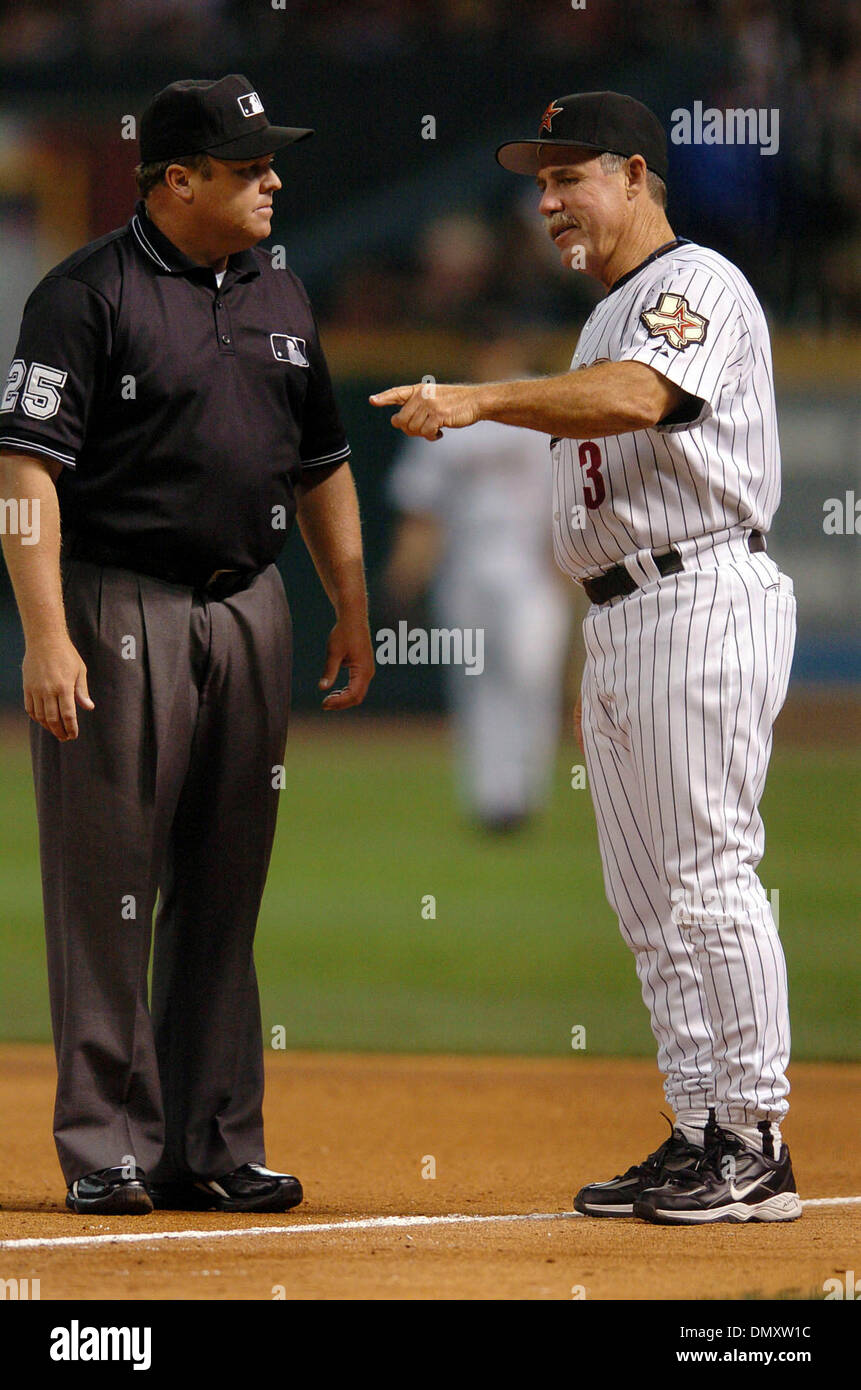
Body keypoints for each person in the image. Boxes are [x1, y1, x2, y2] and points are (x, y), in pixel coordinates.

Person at [371, 91, 800, 1226]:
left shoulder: (696, 281)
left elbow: (645, 399)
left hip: (699, 591)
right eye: (540, 182)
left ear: (637, 173)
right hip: (620, 613)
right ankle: (700, 1125)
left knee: (707, 878)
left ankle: (756, 1138)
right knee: (648, 901)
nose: (550, 201)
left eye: (570, 176)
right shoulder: (607, 310)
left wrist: (480, 398)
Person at [0, 74, 374, 1216]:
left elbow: (321, 463)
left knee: (224, 886)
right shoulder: (84, 294)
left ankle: (211, 1141)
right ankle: (109, 1143)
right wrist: (47, 635)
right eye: (248, 163)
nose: (273, 179)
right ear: (177, 178)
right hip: (120, 607)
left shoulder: (281, 289)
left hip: (249, 606)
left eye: (271, 161)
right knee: (106, 890)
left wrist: (349, 603)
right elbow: (22, 474)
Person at [384, 338, 572, 832]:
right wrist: (406, 575)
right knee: (478, 681)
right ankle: (494, 801)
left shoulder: (542, 403)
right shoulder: (444, 406)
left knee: (531, 675)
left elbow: (569, 495)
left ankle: (524, 790)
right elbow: (421, 507)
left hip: (531, 565)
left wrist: (570, 568)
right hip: (464, 566)